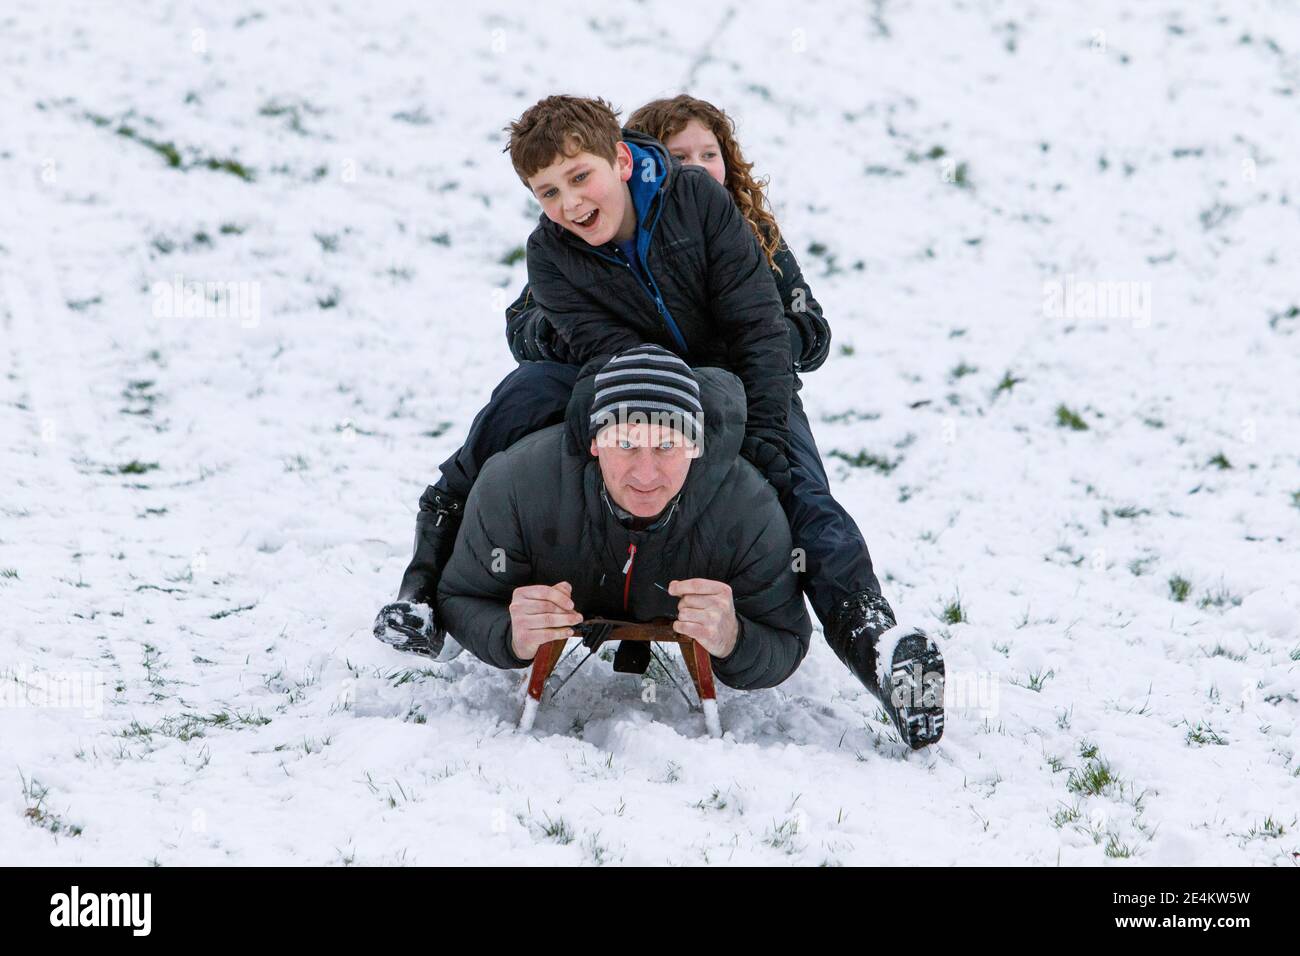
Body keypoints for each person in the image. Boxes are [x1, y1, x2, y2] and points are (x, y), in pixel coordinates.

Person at [375, 94, 944, 748]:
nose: (568, 202)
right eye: (547, 192)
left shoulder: (697, 202)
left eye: (579, 178)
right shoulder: (552, 254)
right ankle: (426, 589)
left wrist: (756, 437)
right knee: (524, 393)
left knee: (801, 493)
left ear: (620, 159)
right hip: (630, 373)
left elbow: (760, 326)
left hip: (745, 373)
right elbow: (612, 358)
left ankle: (878, 644)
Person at [437, 345, 812, 694]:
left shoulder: (748, 507)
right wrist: (510, 635)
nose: (645, 473)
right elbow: (461, 596)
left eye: (667, 445)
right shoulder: (516, 484)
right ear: (595, 441)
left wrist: (733, 638)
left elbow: (786, 637)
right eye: (625, 444)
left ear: (696, 447)